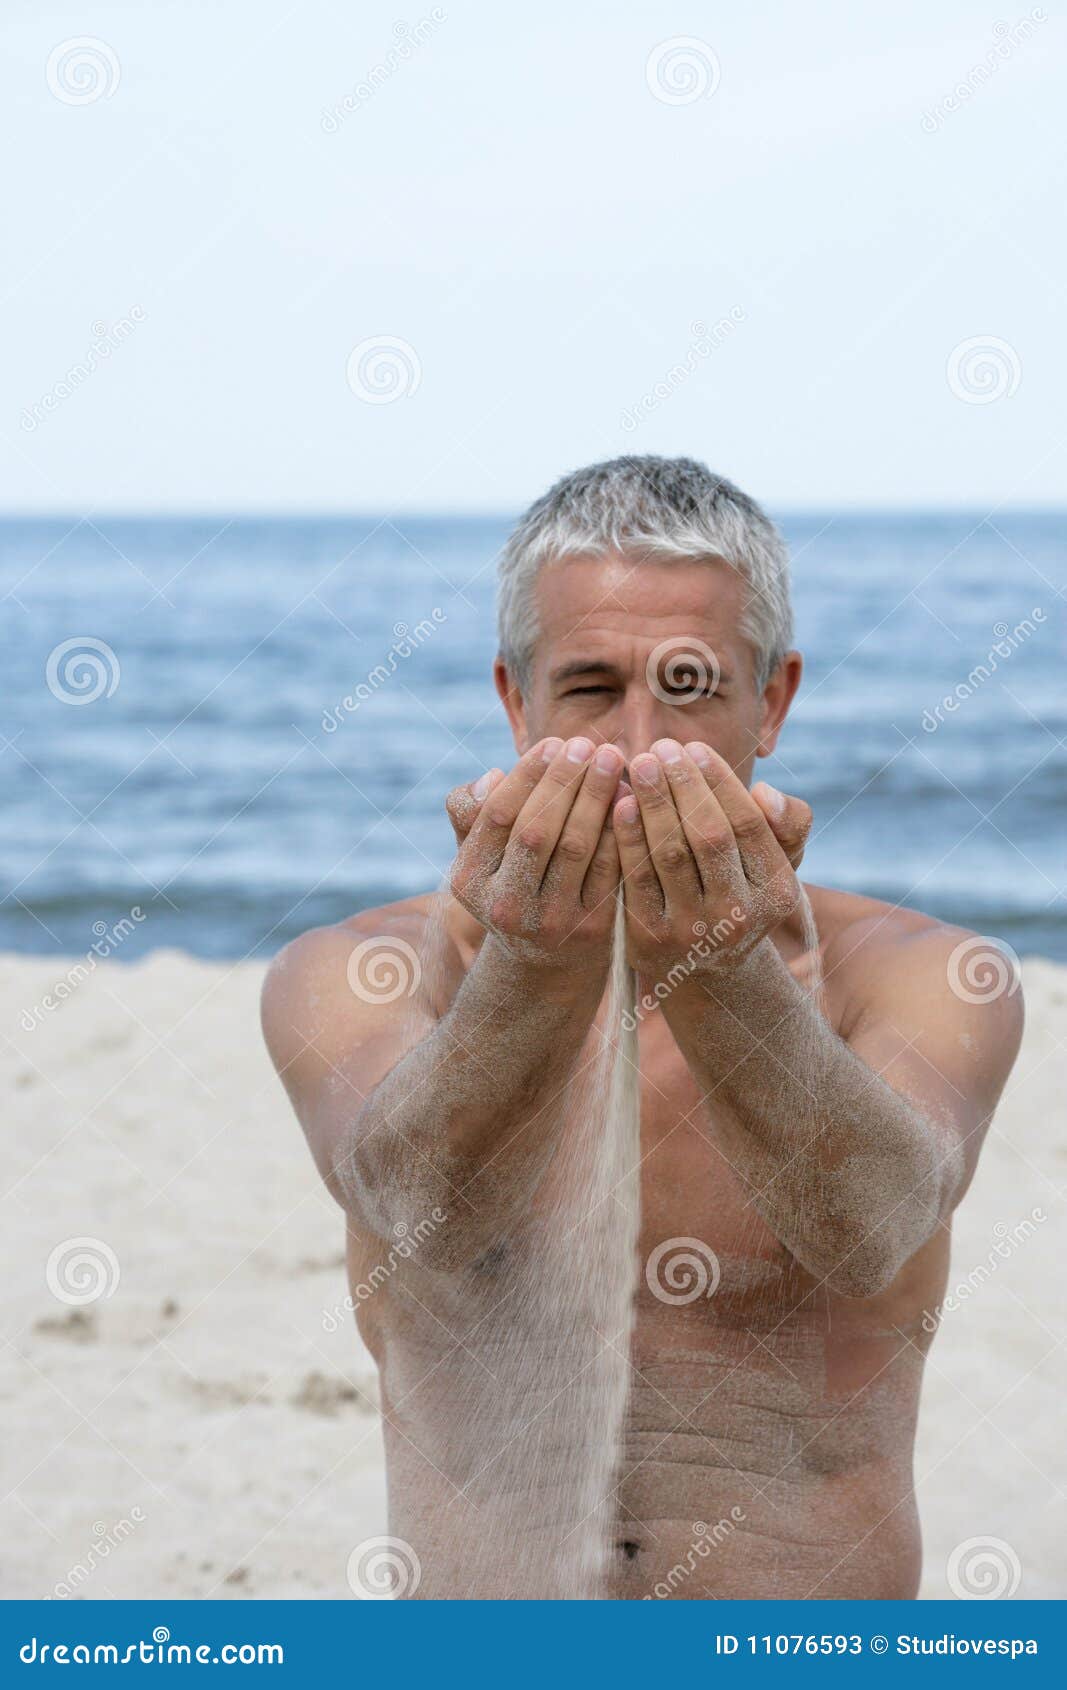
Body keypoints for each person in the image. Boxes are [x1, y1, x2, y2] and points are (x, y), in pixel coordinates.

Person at [262, 457, 1022, 1598]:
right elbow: (414, 1203)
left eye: (689, 686)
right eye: (585, 688)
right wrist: (529, 970)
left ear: (769, 700)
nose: (637, 747)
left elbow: (870, 1223)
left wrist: (722, 977)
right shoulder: (349, 971)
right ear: (515, 702)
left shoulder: (920, 975)